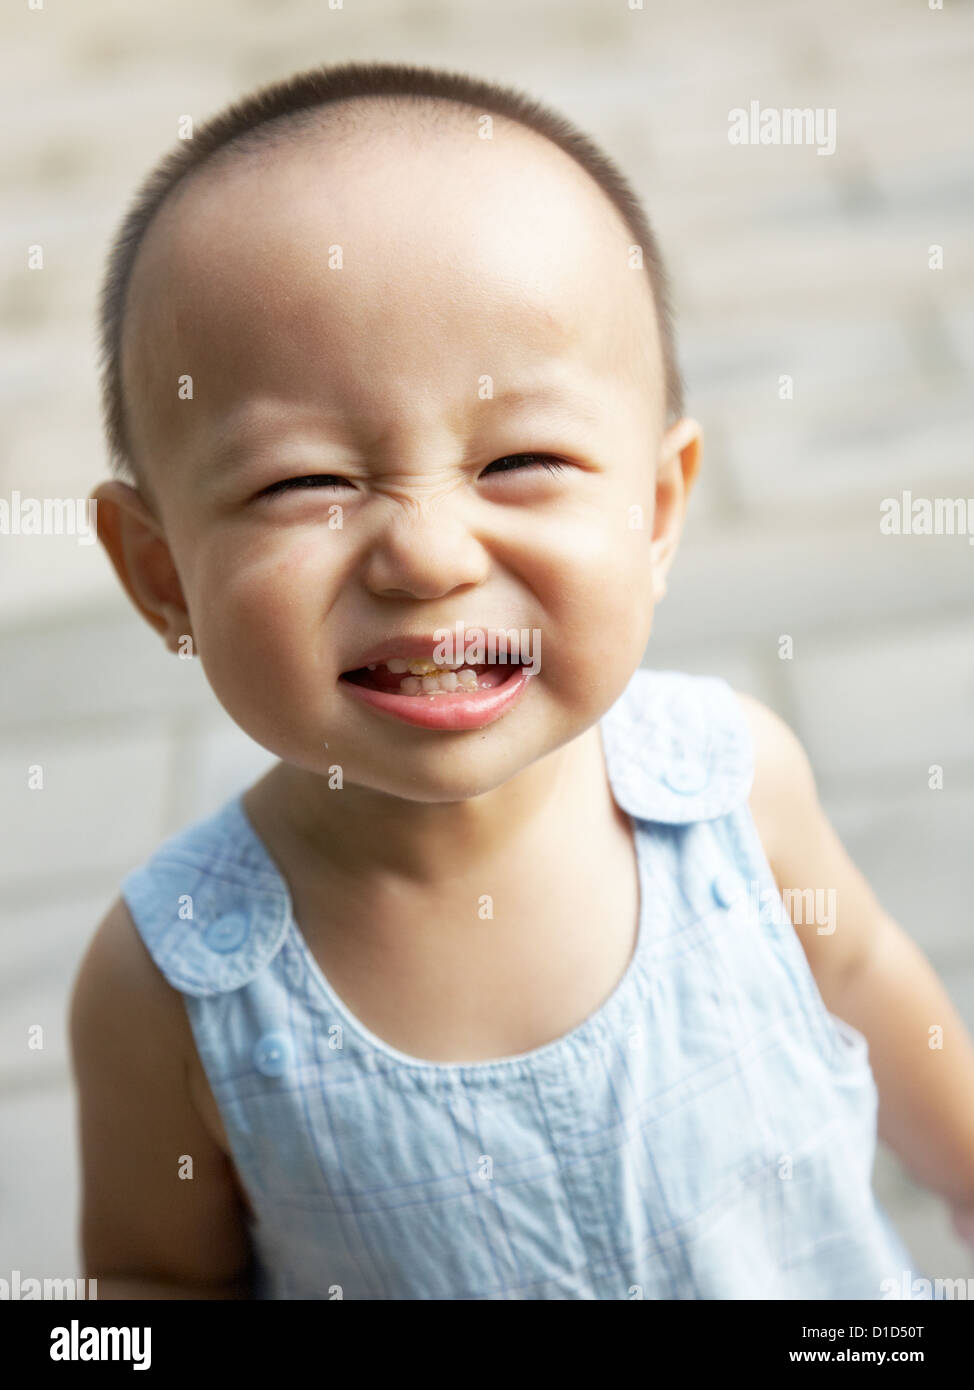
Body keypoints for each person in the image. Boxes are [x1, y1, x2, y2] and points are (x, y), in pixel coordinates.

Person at [69, 60, 974, 1299]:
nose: (428, 555)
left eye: (523, 459)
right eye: (301, 483)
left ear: (656, 508)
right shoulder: (169, 981)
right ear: (161, 575)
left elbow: (863, 973)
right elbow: (144, 1280)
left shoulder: (731, 793)